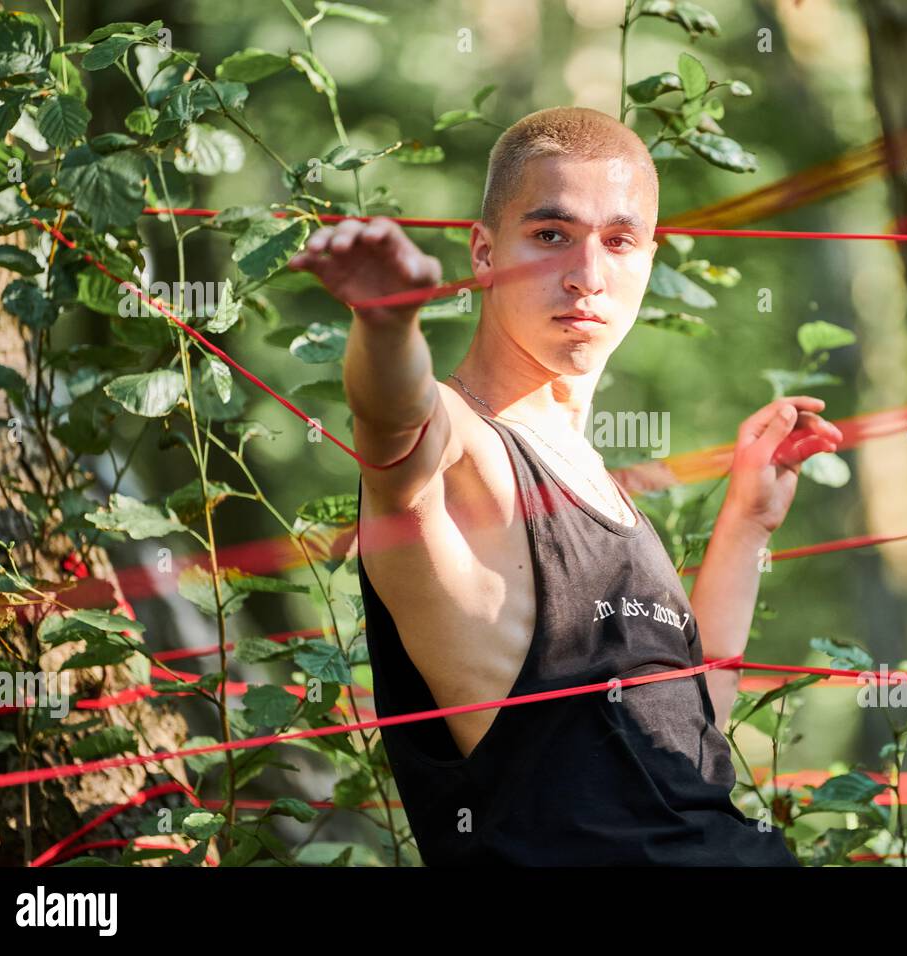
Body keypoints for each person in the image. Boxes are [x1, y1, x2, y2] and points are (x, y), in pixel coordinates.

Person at [287, 105, 843, 866]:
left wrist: (746, 526)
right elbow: (396, 432)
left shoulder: (602, 495)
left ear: (649, 259)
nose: (587, 275)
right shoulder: (469, 454)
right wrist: (387, 326)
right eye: (551, 236)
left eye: (619, 242)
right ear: (483, 253)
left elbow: (686, 731)